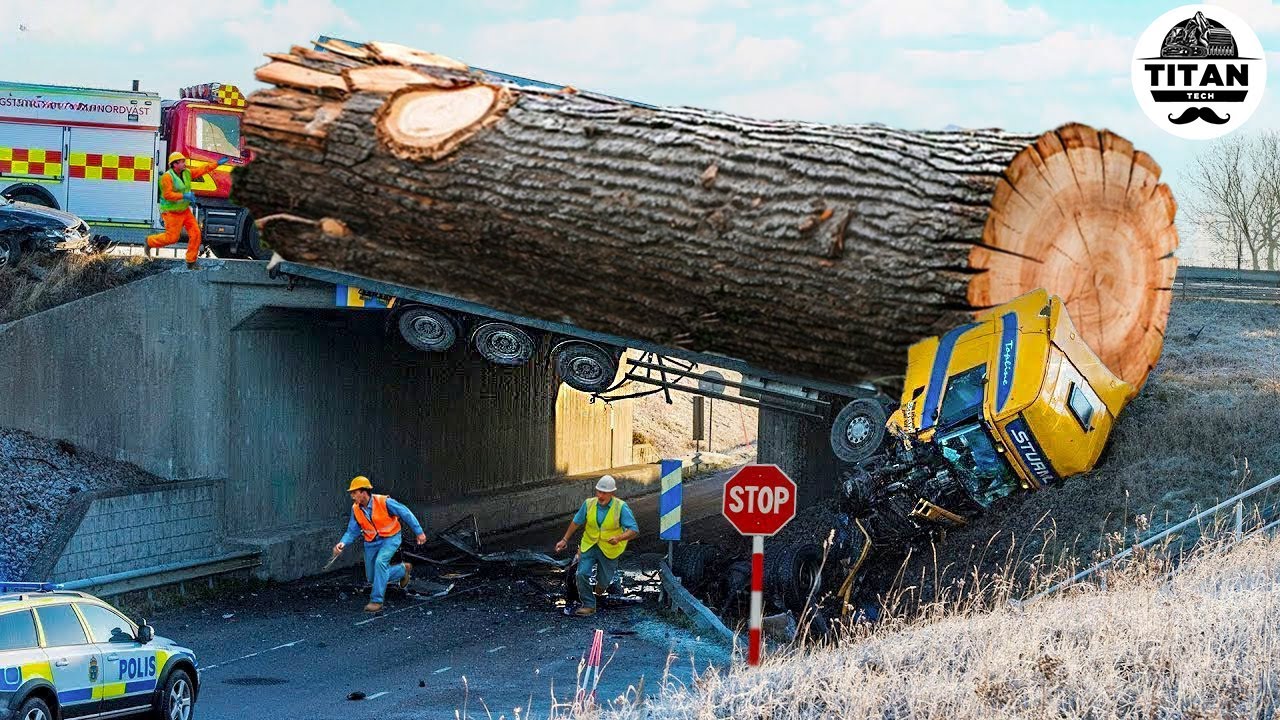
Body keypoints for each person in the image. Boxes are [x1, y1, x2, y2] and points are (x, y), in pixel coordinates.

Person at [331, 475, 427, 613]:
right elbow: (352, 531)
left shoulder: (384, 502)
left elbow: (405, 513)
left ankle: (376, 601)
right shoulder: (355, 509)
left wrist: (419, 532)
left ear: (364, 492)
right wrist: (342, 543)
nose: (352, 496)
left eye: (354, 492)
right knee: (372, 577)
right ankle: (402, 570)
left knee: (380, 562)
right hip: (371, 542)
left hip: (390, 538)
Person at [554, 474, 639, 617]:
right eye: (599, 491)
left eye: (604, 493)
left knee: (603, 581)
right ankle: (588, 605)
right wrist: (564, 539)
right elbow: (576, 521)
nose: (600, 495)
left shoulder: (621, 507)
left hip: (610, 548)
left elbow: (633, 530)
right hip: (589, 544)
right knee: (581, 574)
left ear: (612, 493)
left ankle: (601, 587)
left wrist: (619, 538)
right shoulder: (589, 504)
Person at [145, 152, 230, 269]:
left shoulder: (187, 173)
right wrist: (185, 196)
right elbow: (167, 195)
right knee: (172, 238)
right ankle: (149, 241)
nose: (184, 163)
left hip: (185, 211)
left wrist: (217, 164)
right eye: (182, 162)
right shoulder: (167, 177)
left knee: (196, 233)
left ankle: (191, 262)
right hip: (171, 212)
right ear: (174, 164)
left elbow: (202, 170)